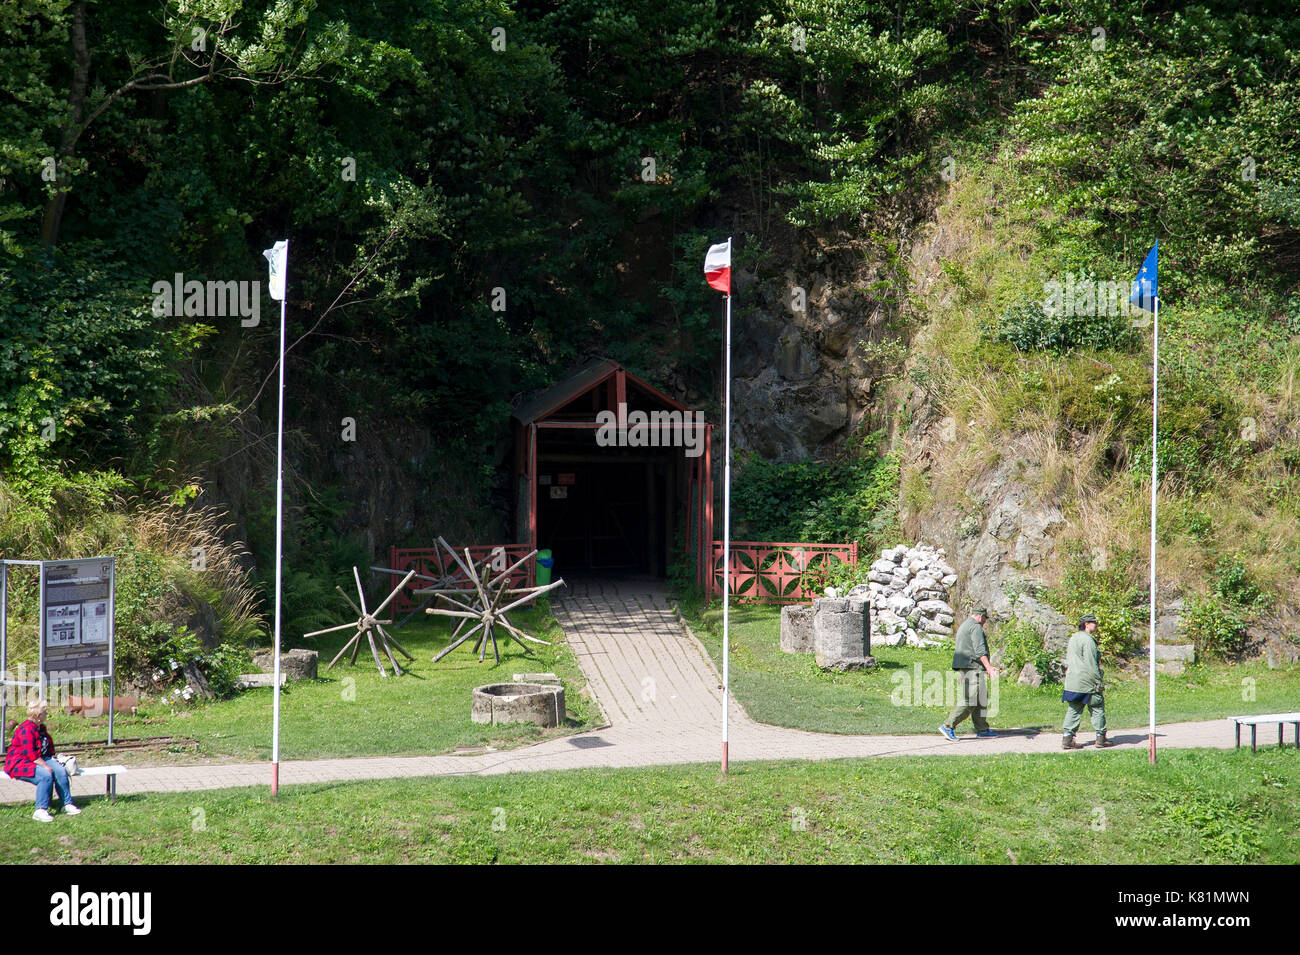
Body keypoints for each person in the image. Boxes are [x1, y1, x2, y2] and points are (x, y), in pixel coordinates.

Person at [4, 700, 81, 822]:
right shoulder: (27, 729)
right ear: (38, 716)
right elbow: (30, 753)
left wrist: (54, 761)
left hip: (40, 758)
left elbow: (46, 748)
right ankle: (40, 810)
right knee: (45, 775)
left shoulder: (40, 728)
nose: (47, 715)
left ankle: (67, 804)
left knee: (60, 771)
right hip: (21, 761)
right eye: (45, 713)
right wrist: (46, 766)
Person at [940, 608, 997, 740]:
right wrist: (988, 667)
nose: (984, 623)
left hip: (968, 667)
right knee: (971, 699)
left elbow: (963, 649)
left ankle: (982, 729)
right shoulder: (975, 627)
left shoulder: (965, 625)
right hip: (973, 668)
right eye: (984, 620)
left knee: (981, 698)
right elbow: (979, 649)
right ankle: (948, 726)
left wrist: (962, 671)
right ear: (981, 616)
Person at [1062, 613, 1109, 749]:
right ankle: (1101, 738)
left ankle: (1067, 738)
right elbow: (1090, 663)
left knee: (1074, 709)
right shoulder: (1088, 640)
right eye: (1093, 622)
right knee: (1097, 707)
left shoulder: (1073, 638)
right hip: (1088, 681)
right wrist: (1098, 681)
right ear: (1086, 624)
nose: (1096, 625)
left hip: (1073, 680)